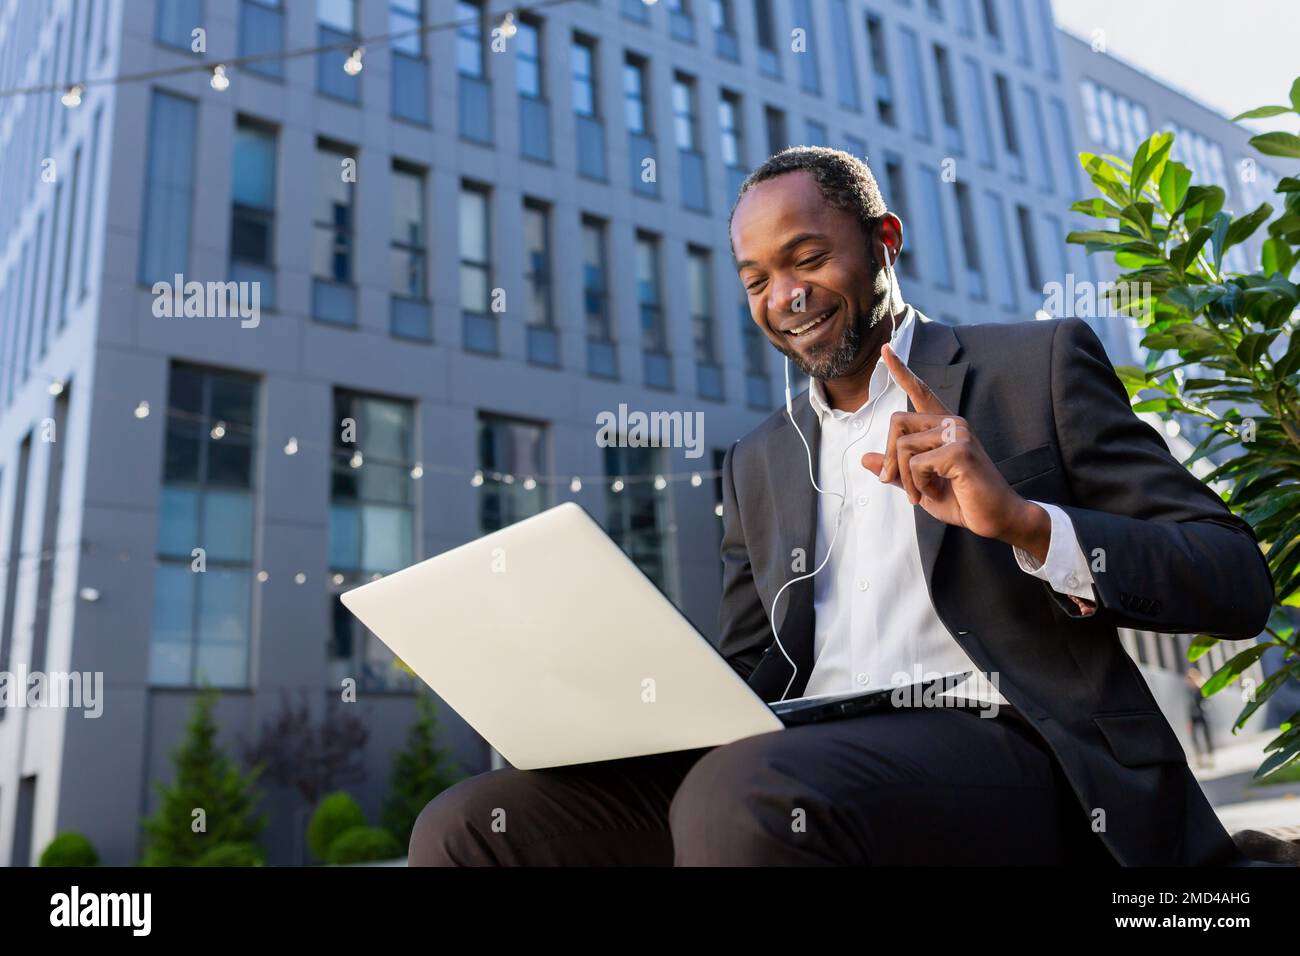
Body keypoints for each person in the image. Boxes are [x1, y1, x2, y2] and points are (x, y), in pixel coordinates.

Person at [409, 147, 1274, 866]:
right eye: (756, 279)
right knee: (469, 828)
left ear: (884, 241)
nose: (783, 298)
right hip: (796, 752)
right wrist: (606, 703)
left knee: (744, 792)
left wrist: (1023, 523)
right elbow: (751, 674)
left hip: (1015, 755)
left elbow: (1234, 578)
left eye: (809, 259)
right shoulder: (758, 459)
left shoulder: (1033, 369)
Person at [1186, 667, 1215, 767]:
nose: (1189, 681)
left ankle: (1211, 758)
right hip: (1194, 717)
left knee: (1207, 736)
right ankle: (1199, 758)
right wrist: (1189, 720)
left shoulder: (1201, 689)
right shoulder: (1189, 691)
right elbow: (1189, 706)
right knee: (1194, 737)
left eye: (1190, 678)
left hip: (1203, 715)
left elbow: (1207, 702)